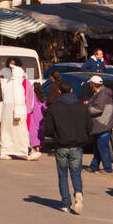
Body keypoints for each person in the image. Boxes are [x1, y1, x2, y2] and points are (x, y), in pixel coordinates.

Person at [39, 80, 90, 214]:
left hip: (61, 145)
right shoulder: (82, 107)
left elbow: (48, 129)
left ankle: (66, 203)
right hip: (77, 145)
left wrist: (56, 135)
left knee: (62, 174)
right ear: (72, 90)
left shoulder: (54, 107)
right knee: (76, 173)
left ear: (59, 92)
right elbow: (89, 126)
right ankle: (78, 192)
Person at [0, 59, 30, 160]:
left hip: (7, 113)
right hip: (15, 113)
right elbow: (18, 99)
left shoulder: (8, 82)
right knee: (20, 134)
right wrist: (18, 114)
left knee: (7, 133)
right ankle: (24, 152)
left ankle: (5, 152)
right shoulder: (16, 83)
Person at [86, 75, 113, 174]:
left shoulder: (102, 94)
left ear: (93, 85)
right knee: (98, 146)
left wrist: (86, 110)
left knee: (102, 147)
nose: (89, 86)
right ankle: (94, 166)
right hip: (102, 123)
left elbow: (98, 109)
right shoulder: (100, 93)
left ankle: (107, 168)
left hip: (102, 123)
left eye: (90, 84)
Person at [25, 71, 43, 161]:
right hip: (38, 115)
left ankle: (34, 148)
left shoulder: (31, 93)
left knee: (32, 132)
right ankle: (38, 147)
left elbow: (30, 106)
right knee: (37, 131)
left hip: (32, 115)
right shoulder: (40, 96)